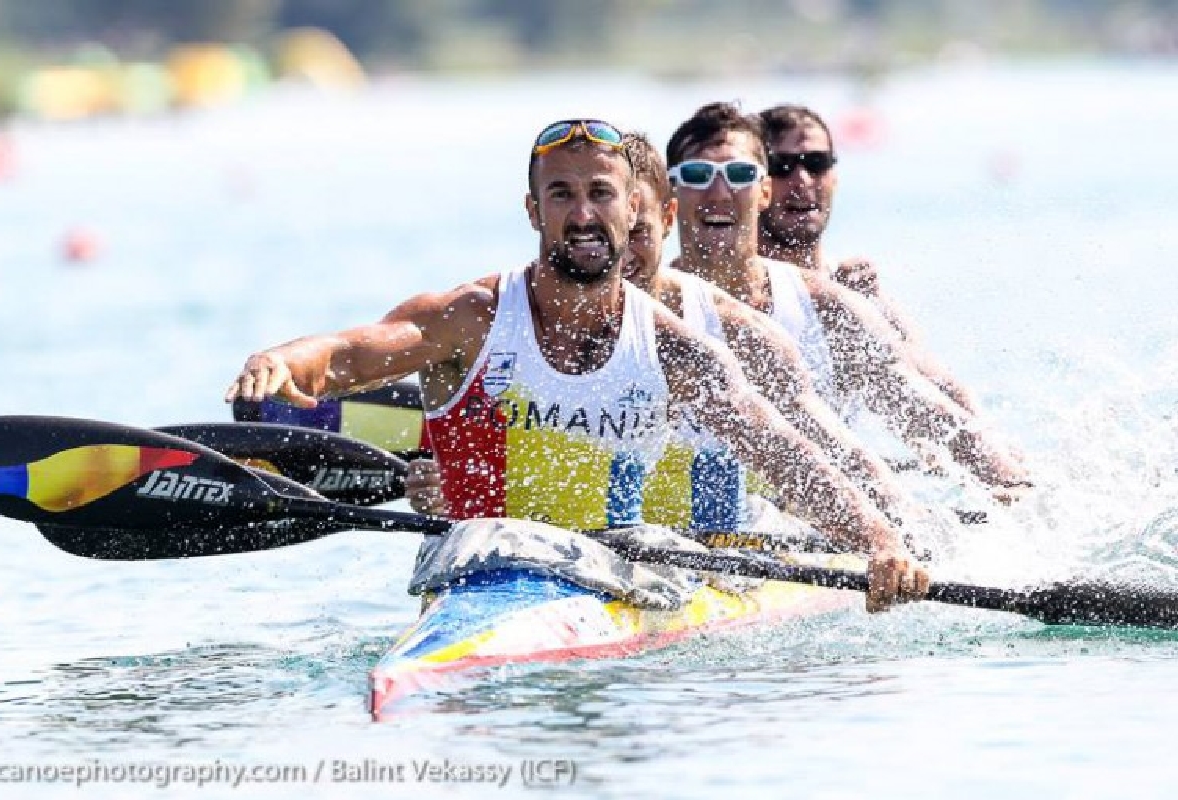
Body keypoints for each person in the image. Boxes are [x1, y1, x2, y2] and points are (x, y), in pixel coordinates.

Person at [226, 117, 927, 611]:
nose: (583, 213)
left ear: (635, 212)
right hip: (481, 571)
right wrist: (278, 362)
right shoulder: (472, 317)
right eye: (562, 194)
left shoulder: (679, 349)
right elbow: (342, 357)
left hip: (626, 578)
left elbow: (782, 454)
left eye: (600, 194)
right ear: (533, 210)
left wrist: (879, 541)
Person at [408, 130, 924, 534]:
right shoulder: (520, 327)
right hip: (568, 550)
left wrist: (900, 536)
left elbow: (822, 453)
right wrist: (445, 480)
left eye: (636, 235)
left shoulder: (727, 334)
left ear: (663, 219)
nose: (616, 251)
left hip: (718, 546)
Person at [664, 102, 1030, 492]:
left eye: (738, 175)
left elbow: (927, 402)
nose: (719, 192)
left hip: (807, 517)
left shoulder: (836, 303)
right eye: (698, 176)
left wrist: (1010, 480)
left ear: (761, 191)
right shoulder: (647, 307)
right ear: (670, 196)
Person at [756, 103, 979, 415]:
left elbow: (933, 394)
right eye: (781, 166)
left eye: (817, 163)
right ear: (757, 186)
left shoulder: (852, 290)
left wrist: (876, 305)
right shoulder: (732, 290)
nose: (802, 180)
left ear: (834, 177)